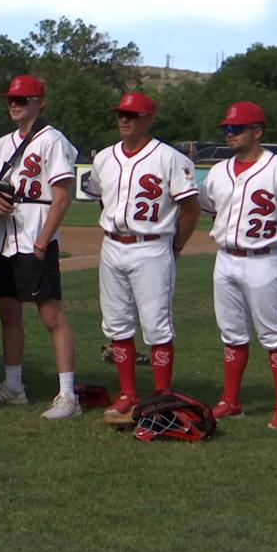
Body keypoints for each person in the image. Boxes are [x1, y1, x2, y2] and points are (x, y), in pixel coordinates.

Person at [81, 91, 201, 425]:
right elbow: (99, 198)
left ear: (149, 119)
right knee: (117, 323)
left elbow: (191, 208)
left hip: (152, 246)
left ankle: (162, 395)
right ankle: (128, 394)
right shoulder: (105, 157)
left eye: (132, 115)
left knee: (157, 325)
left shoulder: (170, 158)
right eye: (121, 114)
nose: (124, 120)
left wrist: (175, 245)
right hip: (112, 245)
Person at [197, 101, 277, 430]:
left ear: (258, 132)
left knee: (273, 335)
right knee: (232, 335)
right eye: (227, 129)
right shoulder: (219, 171)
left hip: (266, 260)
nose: (230, 134)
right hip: (226, 258)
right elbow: (210, 207)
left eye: (237, 129)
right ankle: (231, 401)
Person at [0, 74, 83, 419]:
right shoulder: (1, 145)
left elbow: (63, 196)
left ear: (41, 103)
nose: (14, 104)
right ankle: (14, 386)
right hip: (4, 236)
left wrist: (43, 241)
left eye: (22, 99)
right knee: (8, 312)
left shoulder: (53, 140)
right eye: (11, 99)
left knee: (50, 314)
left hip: (34, 230)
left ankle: (68, 395)